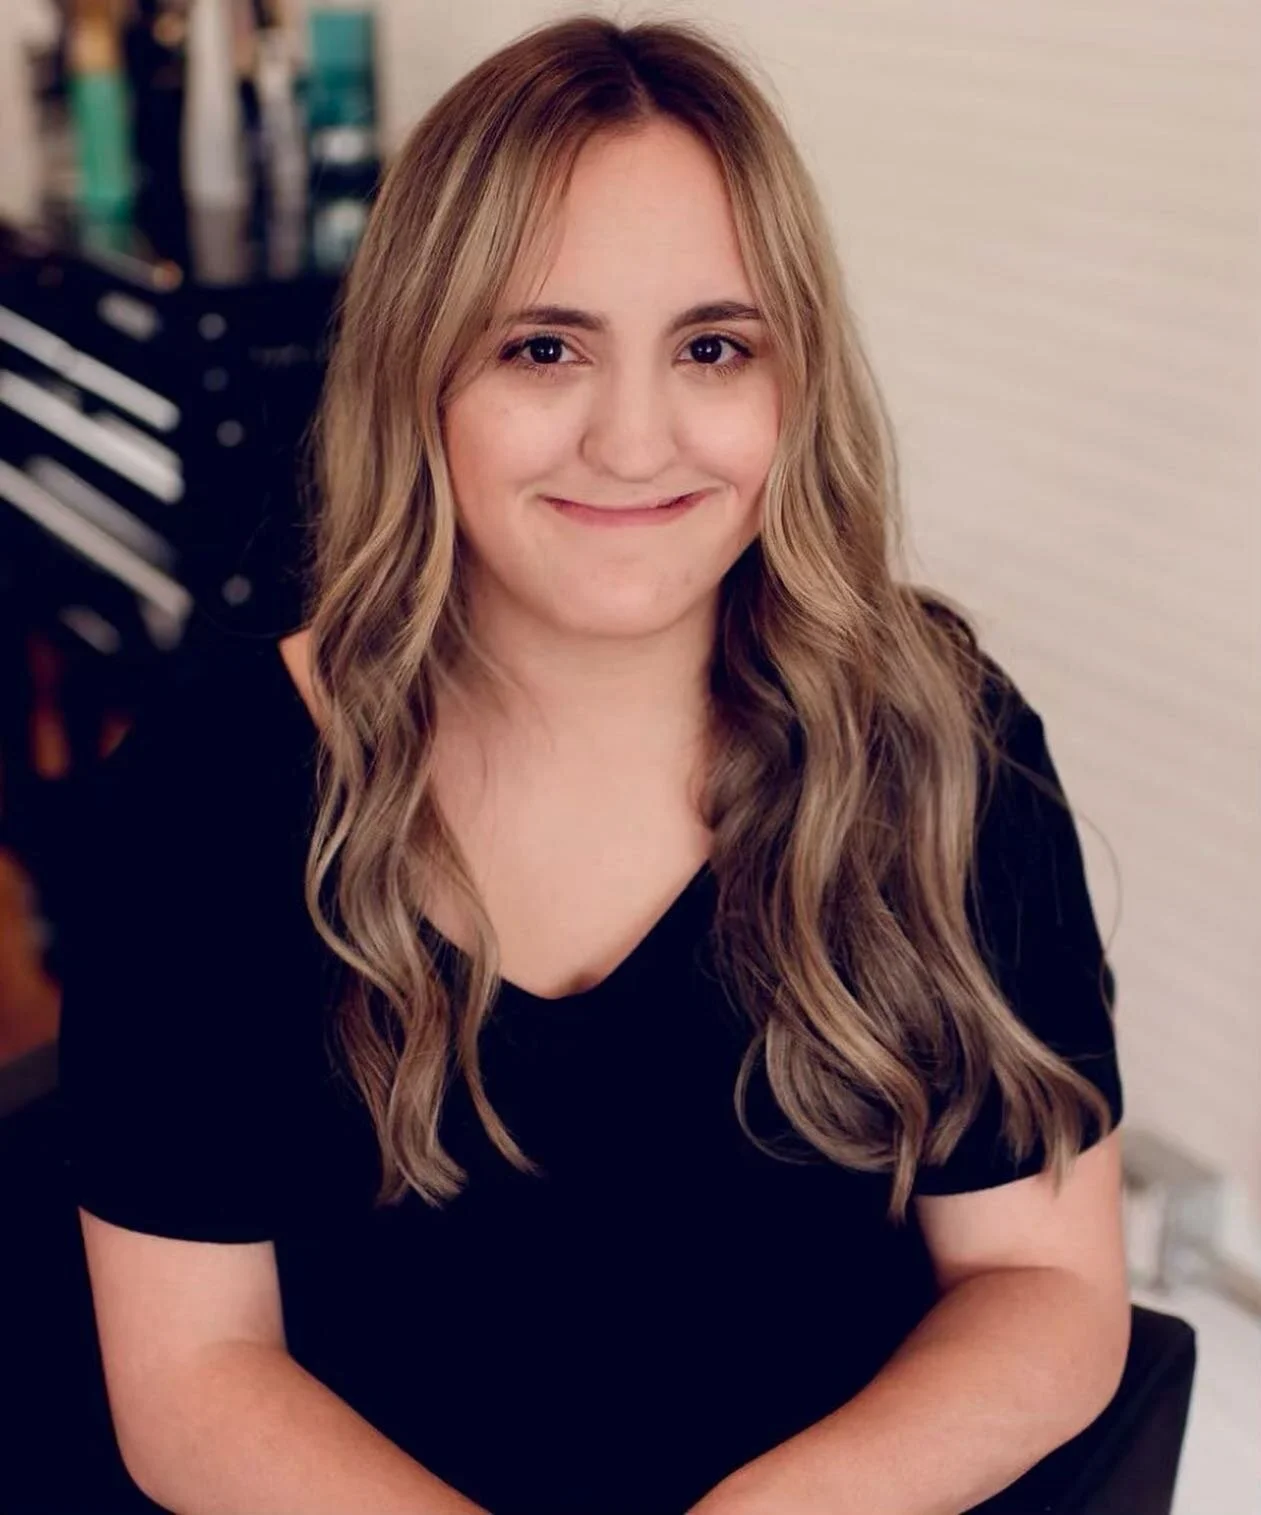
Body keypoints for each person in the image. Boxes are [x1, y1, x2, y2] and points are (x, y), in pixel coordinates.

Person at [57, 14, 1129, 1515]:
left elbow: (1043, 1280)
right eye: (543, 347)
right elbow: (192, 1374)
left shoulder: (939, 739)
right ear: (418, 374)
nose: (633, 442)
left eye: (713, 347)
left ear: (795, 383)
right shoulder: (205, 791)